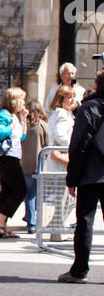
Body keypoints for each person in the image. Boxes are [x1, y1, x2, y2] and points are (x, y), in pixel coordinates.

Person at [60, 67, 104, 282]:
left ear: (97, 85)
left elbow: (79, 146)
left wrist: (72, 179)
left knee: (85, 221)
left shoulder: (90, 108)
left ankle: (79, 270)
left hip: (91, 173)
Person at [0, 86, 28, 238]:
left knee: (7, 190)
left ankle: (2, 226)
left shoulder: (13, 116)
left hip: (10, 156)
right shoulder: (5, 115)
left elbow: (21, 137)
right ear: (14, 101)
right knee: (20, 189)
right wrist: (12, 125)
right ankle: (0, 220)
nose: (23, 103)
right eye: (21, 100)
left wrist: (22, 120)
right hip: (6, 157)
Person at [45, 85, 77, 239]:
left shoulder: (62, 114)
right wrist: (73, 145)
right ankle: (56, 230)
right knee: (65, 196)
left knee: (66, 197)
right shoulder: (62, 114)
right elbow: (60, 136)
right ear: (61, 99)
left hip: (59, 158)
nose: (72, 100)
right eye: (69, 97)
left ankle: (55, 227)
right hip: (61, 158)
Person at [20, 98, 48, 234]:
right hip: (39, 163)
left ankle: (29, 216)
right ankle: (32, 222)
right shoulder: (42, 125)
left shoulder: (24, 125)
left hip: (24, 163)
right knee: (35, 193)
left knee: (29, 193)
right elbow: (48, 144)